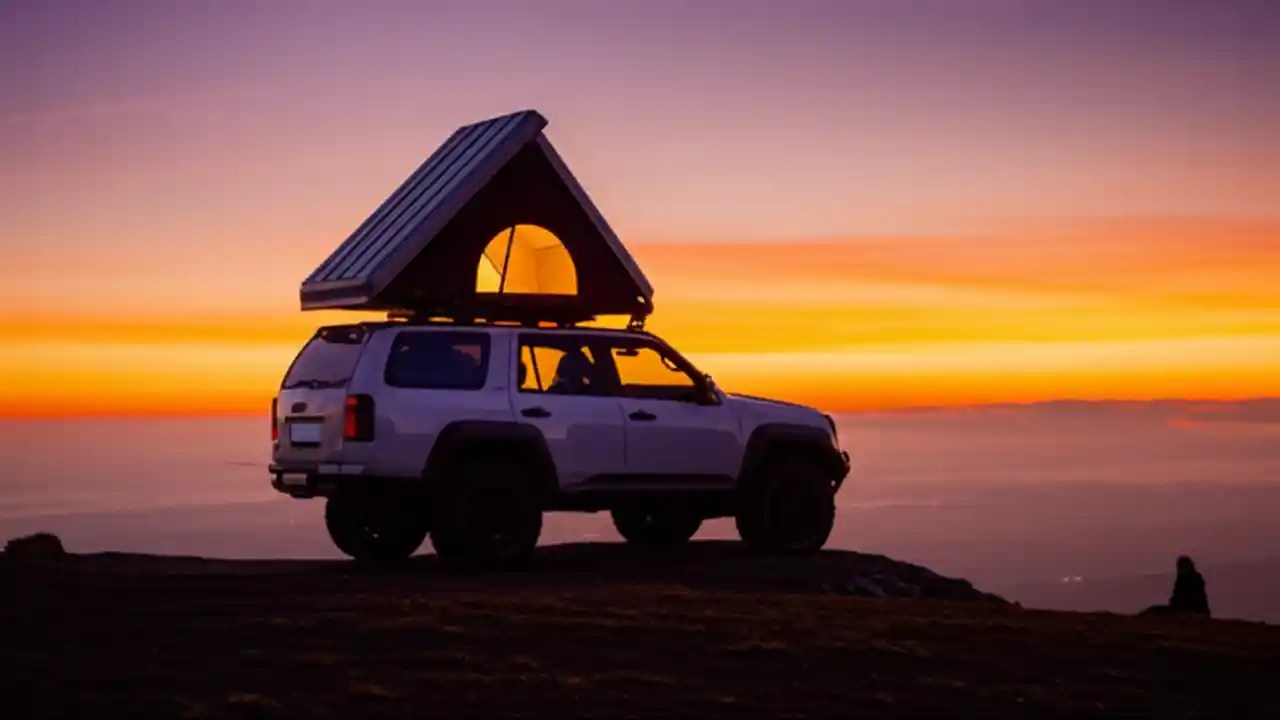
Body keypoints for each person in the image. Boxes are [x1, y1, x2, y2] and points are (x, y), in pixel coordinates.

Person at [1142, 555, 1211, 618]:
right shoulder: (1182, 580)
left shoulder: (1194, 581)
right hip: (1183, 611)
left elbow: (1189, 601)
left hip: (1192, 613)